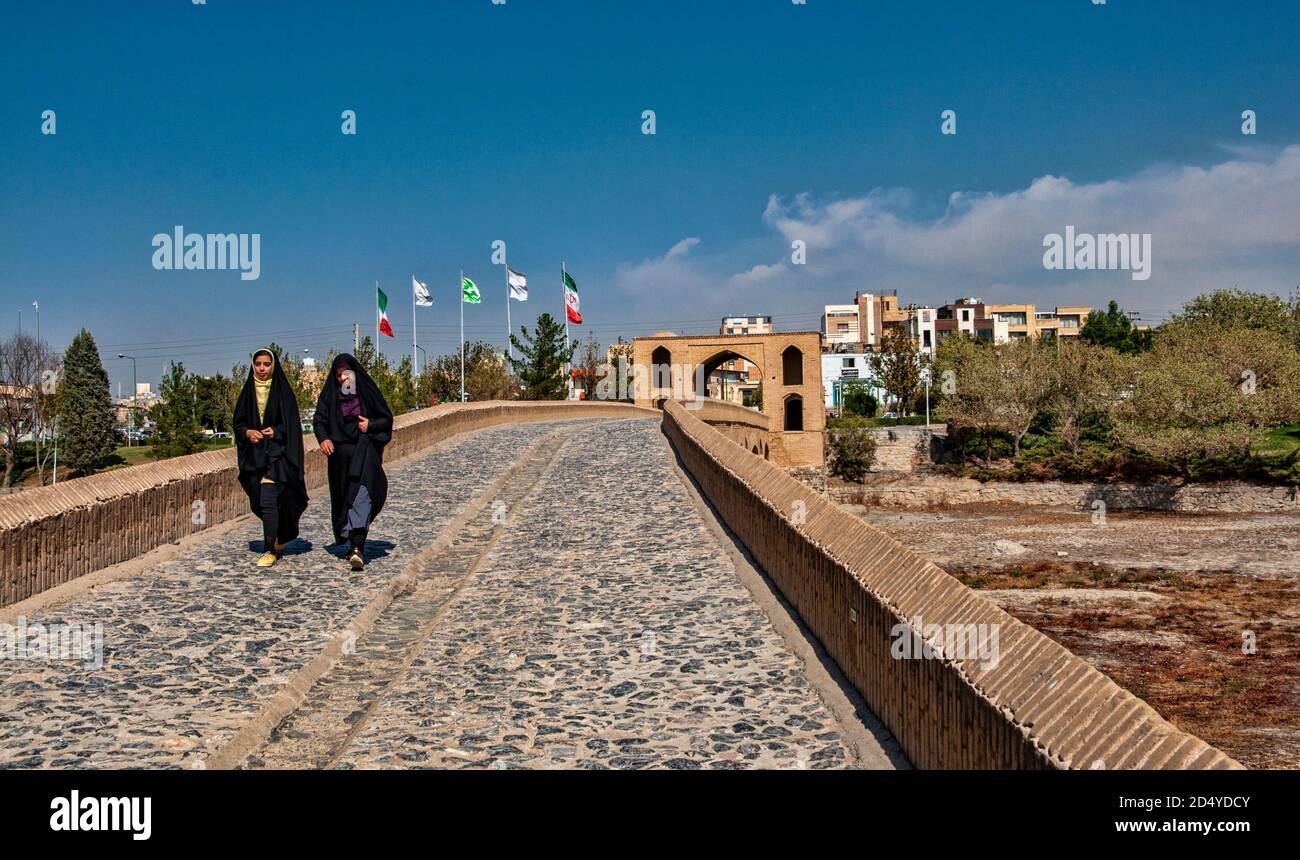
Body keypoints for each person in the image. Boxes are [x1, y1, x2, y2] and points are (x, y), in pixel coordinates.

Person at [313, 354, 393, 569]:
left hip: (364, 452)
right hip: (340, 458)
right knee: (344, 500)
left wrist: (371, 425)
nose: (343, 379)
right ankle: (352, 541)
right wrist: (324, 438)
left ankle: (358, 547)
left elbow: (386, 419)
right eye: (339, 375)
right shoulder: (330, 396)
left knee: (363, 495)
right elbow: (319, 420)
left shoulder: (367, 393)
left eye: (347, 374)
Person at [233, 348, 309, 567]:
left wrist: (276, 432)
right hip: (254, 458)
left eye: (267, 364)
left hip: (278, 456)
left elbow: (292, 425)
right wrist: (248, 432)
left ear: (273, 366)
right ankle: (282, 532)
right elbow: (238, 423)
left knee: (267, 500)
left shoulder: (283, 393)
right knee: (258, 501)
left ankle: (269, 550)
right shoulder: (247, 392)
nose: (262, 368)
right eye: (258, 364)